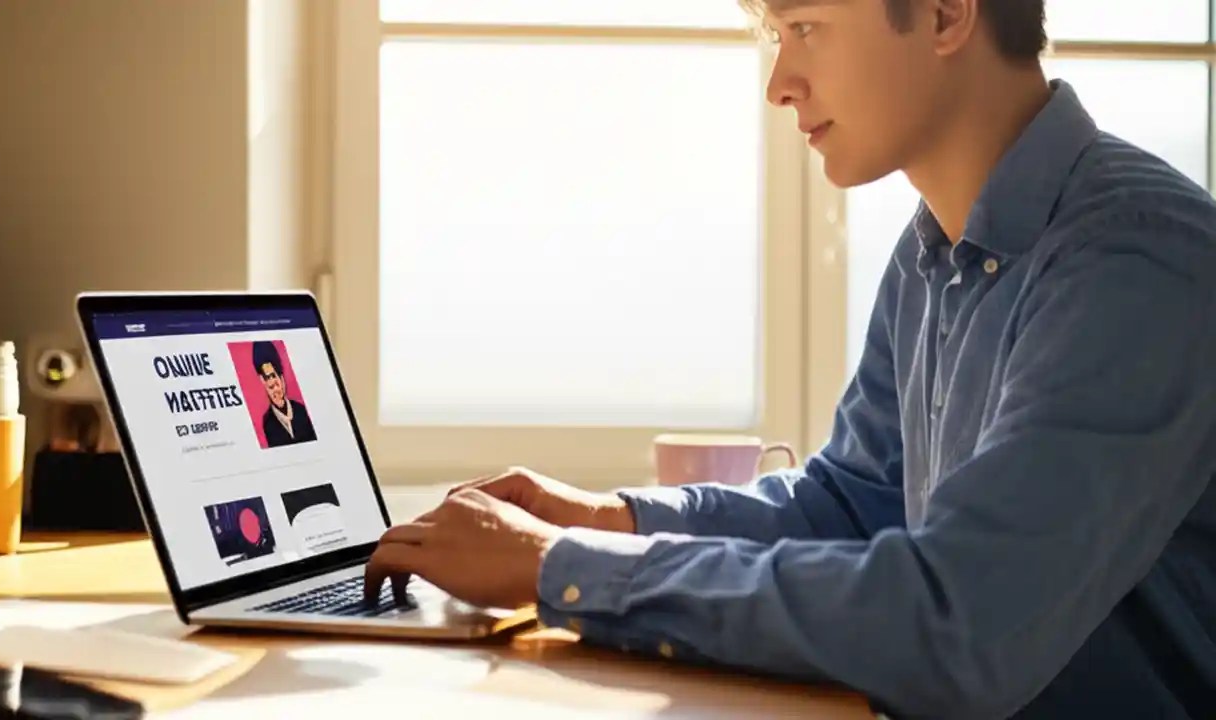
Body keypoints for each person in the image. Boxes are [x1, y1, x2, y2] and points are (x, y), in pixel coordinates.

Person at [364, 0, 1216, 716]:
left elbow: (960, 621)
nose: (778, 84)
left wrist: (558, 569)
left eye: (804, 25)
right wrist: (606, 520)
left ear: (949, 12)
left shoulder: (1137, 262)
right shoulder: (935, 253)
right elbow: (851, 505)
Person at [251, 341, 316, 447]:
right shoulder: (267, 423)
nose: (275, 390)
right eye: (270, 386)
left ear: (282, 379)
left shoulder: (301, 410)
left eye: (276, 382)